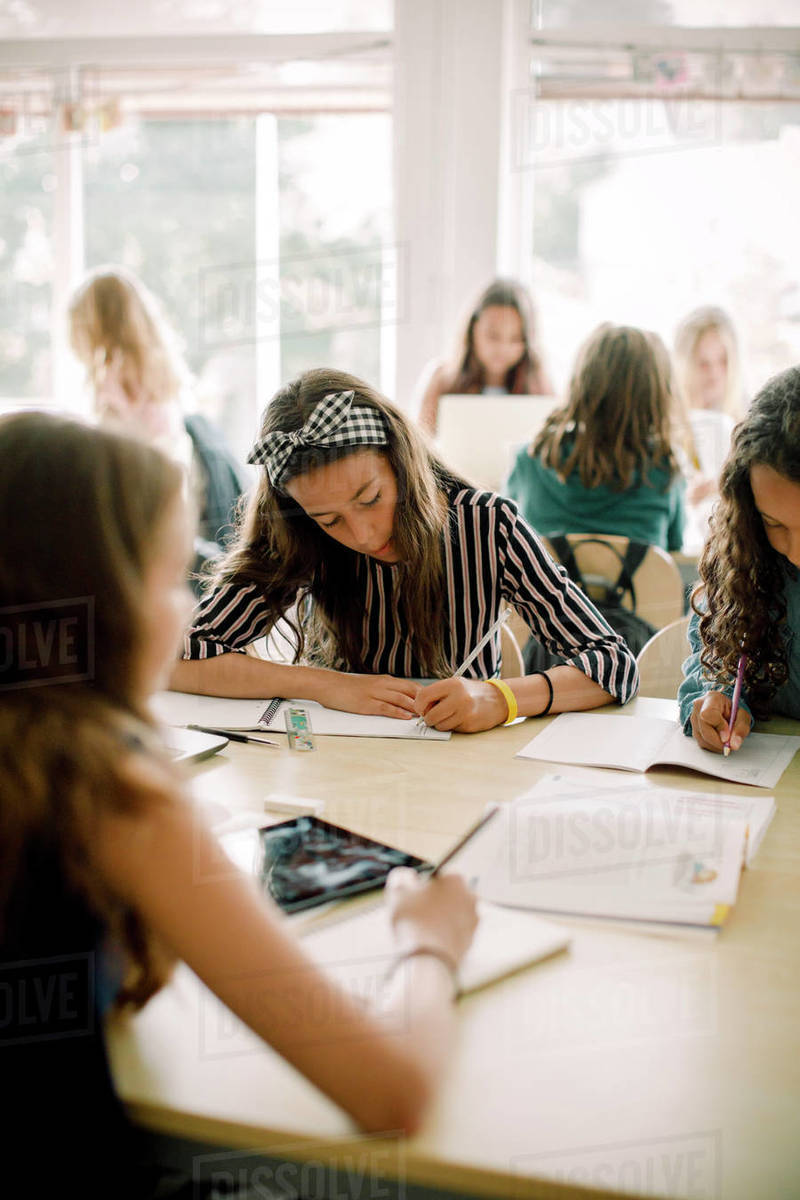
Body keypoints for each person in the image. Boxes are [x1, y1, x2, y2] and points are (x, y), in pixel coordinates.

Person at [0, 412, 478, 1198]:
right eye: (165, 582)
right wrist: (430, 946)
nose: (185, 611)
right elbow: (392, 1093)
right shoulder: (107, 789)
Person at [171, 368, 639, 731]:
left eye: (371, 499)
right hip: (337, 775)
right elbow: (179, 659)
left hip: (460, 771)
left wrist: (502, 699)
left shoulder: (487, 525)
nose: (364, 535)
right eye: (329, 520)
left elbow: (612, 665)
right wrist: (325, 686)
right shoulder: (297, 532)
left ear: (401, 460)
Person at [67, 265, 247, 591]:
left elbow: (113, 455)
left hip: (143, 500)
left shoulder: (111, 375)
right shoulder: (160, 366)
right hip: (178, 495)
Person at [679, 365, 800, 753]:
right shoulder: (743, 556)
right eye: (773, 523)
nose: (795, 552)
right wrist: (720, 699)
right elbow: (711, 660)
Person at [505, 324, 686, 553]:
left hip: (544, 590)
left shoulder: (528, 461)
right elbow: (675, 561)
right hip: (635, 590)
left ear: (580, 386)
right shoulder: (666, 473)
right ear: (657, 396)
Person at [415, 278, 552, 436]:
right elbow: (422, 444)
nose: (503, 348)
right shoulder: (442, 379)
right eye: (493, 336)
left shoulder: (541, 388)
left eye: (516, 339)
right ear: (472, 329)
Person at [674, 305, 743, 512]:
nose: (714, 374)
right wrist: (684, 502)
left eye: (723, 361)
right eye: (703, 364)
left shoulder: (747, 425)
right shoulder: (665, 428)